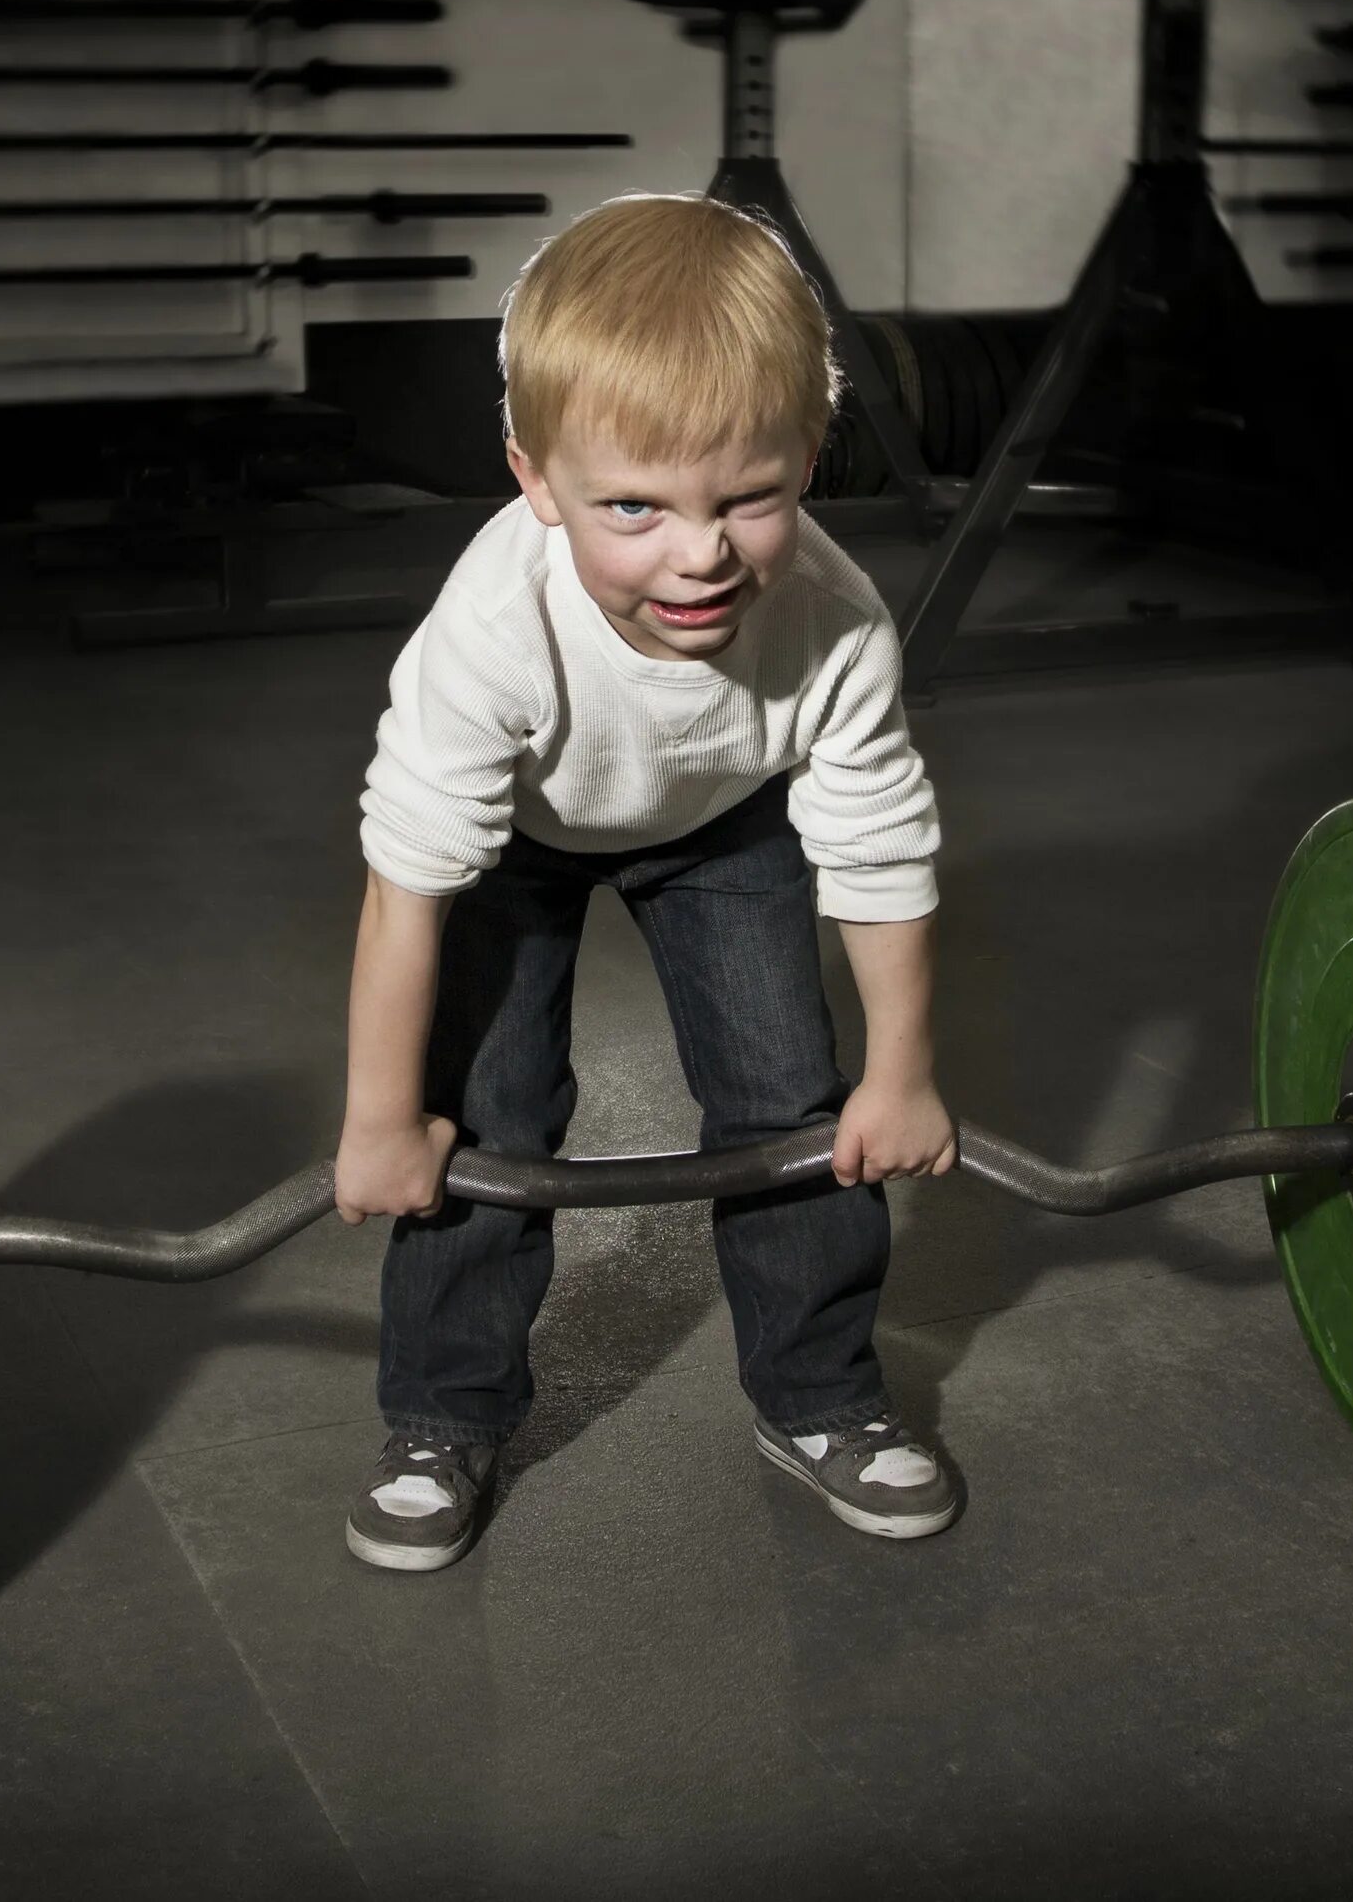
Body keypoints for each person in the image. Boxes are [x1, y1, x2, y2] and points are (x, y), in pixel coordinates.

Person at [337, 193, 956, 1571]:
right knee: (483, 1120)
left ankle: (821, 1399)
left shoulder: (836, 623)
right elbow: (408, 883)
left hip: (726, 828)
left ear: (811, 457)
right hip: (517, 842)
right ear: (535, 479)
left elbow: (879, 846)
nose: (699, 552)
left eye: (752, 497)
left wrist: (900, 1073)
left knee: (794, 1108)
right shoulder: (493, 630)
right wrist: (384, 1120)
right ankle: (443, 1413)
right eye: (634, 506)